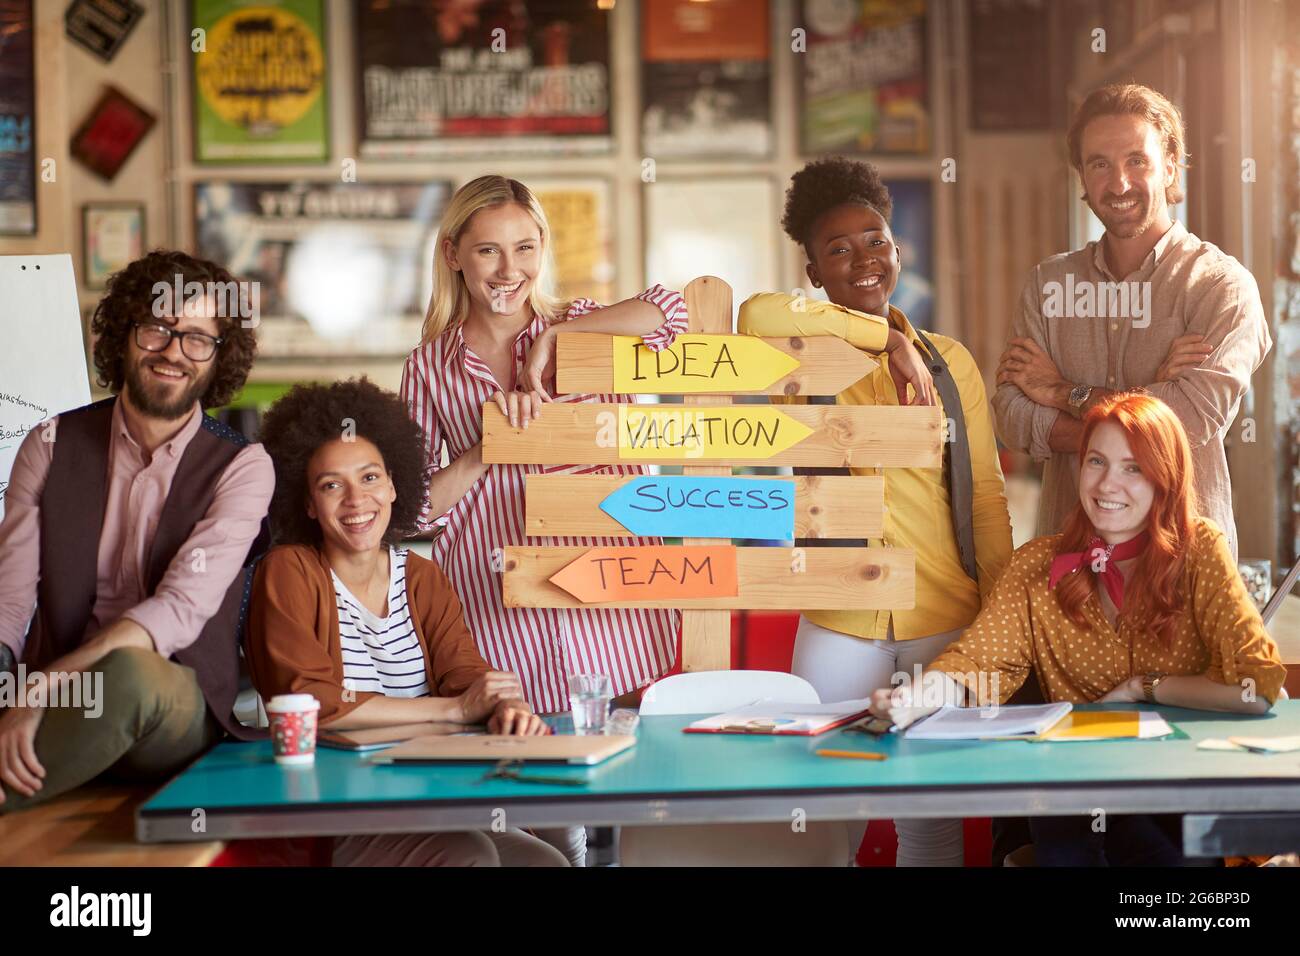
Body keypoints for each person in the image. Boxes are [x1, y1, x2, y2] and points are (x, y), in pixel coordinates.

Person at [400, 174, 687, 866]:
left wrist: (557, 336)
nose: (510, 270)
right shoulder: (429, 368)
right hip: (496, 590)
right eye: (489, 251)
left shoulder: (587, 325)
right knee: (542, 780)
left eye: (524, 248)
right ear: (453, 256)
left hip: (605, 580)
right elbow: (410, 507)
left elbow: (674, 312)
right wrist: (487, 446)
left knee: (623, 771)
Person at [868, 393, 1287, 866]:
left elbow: (1258, 686)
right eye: (1097, 461)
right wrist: (911, 700)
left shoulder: (1200, 550)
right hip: (1075, 793)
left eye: (1134, 468)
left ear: (1165, 479)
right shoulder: (1037, 564)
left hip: (1177, 786)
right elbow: (976, 663)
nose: (1109, 482)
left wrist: (1145, 689)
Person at [736, 157, 1014, 865]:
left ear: (897, 250)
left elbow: (984, 497)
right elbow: (753, 312)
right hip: (838, 620)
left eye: (876, 239)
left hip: (944, 613)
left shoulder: (949, 362)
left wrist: (1005, 614)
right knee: (825, 813)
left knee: (929, 818)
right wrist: (884, 337)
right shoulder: (794, 362)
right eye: (839, 249)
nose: (864, 258)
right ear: (814, 273)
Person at [247, 378, 566, 867]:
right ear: (308, 503)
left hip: (433, 795)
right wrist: (455, 712)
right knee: (471, 855)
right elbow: (312, 704)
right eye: (332, 485)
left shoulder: (421, 576)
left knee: (546, 862)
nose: (356, 500)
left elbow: (465, 676)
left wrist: (502, 704)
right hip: (338, 809)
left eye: (370, 478)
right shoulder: (289, 571)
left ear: (395, 486)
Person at [0, 250, 273, 811]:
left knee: (128, 673)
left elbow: (175, 613)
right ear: (126, 334)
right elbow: (10, 601)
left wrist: (43, 686)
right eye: (158, 329)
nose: (174, 352)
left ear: (219, 358)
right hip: (56, 704)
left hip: (168, 705)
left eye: (197, 338)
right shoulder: (50, 444)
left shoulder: (244, 467)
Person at [993, 83, 1272, 559]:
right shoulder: (1048, 285)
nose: (1118, 183)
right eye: (1099, 163)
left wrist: (1065, 393)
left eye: (1136, 160)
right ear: (1082, 175)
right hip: (1071, 565)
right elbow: (1012, 416)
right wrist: (1150, 408)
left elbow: (1193, 415)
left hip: (1181, 569)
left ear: (1169, 164)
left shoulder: (1221, 287)